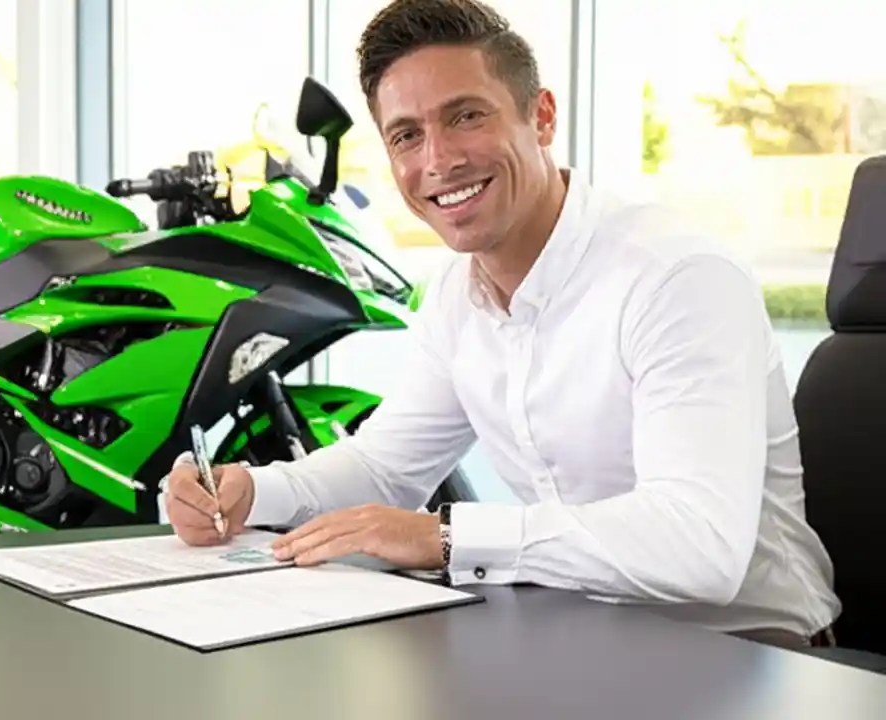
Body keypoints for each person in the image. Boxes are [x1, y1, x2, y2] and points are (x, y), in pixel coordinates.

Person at [163, 0, 840, 648]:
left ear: (540, 117)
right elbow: (385, 467)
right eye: (407, 135)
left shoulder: (674, 278)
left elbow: (699, 548)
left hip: (753, 652)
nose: (439, 160)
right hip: (576, 639)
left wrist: (448, 537)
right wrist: (252, 491)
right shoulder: (458, 297)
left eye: (466, 116)